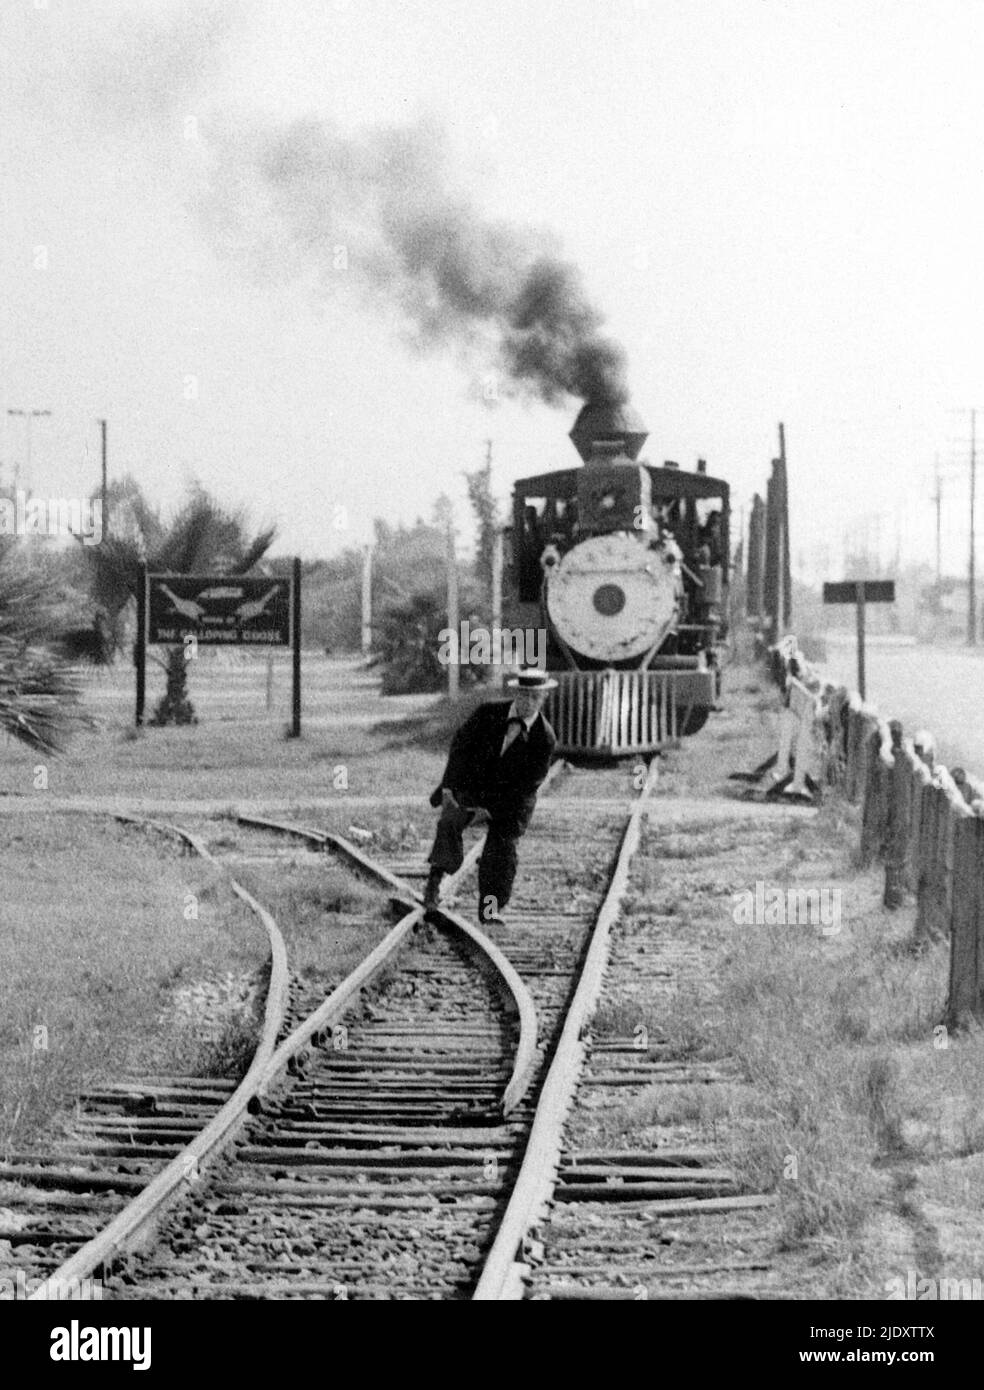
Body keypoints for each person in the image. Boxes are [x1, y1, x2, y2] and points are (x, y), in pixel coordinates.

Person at [423, 668, 558, 924]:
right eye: (524, 695)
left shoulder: (545, 737)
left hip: (511, 803)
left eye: (535, 698)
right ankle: (433, 886)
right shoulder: (487, 713)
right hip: (475, 788)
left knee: (501, 850)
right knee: (449, 821)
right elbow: (460, 746)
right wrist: (449, 787)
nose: (528, 702)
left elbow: (527, 786)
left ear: (543, 699)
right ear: (515, 693)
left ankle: (490, 908)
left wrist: (492, 810)